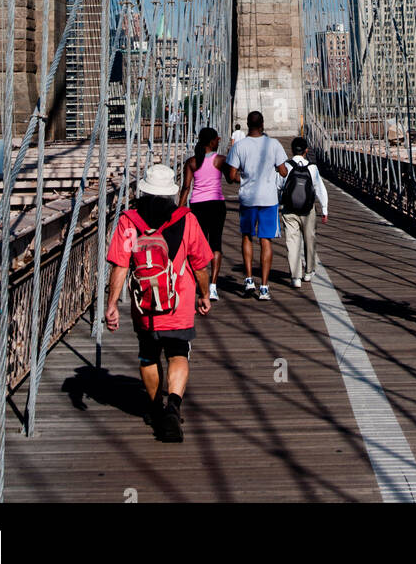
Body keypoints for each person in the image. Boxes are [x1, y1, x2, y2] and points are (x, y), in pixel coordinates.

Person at [105, 163, 212, 442]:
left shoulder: (130, 220)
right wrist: (204, 294)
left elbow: (119, 266)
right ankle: (173, 407)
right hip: (178, 301)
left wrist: (112, 304)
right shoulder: (186, 219)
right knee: (178, 352)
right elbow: (200, 265)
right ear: (171, 193)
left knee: (148, 355)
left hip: (145, 304)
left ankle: (154, 410)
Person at [224, 109, 288, 301]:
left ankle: (249, 279)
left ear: (247, 125)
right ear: (263, 125)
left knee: (247, 237)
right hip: (269, 199)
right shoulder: (274, 144)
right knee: (265, 240)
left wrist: (242, 178)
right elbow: (284, 172)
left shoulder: (239, 146)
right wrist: (275, 169)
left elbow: (230, 175)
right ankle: (265, 287)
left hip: (248, 198)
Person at [179, 127, 226, 302]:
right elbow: (230, 178)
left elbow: (186, 188)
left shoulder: (191, 162)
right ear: (212, 141)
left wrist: (179, 210)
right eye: (217, 139)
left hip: (197, 206)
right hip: (216, 205)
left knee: (198, 246)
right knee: (216, 244)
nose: (219, 141)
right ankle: (212, 286)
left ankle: (198, 283)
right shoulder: (220, 160)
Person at [277, 137, 328, 288]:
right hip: (308, 209)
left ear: (292, 150)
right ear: (306, 150)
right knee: (310, 239)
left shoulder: (286, 165)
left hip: (289, 209)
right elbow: (319, 188)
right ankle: (308, 272)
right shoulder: (312, 168)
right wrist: (324, 209)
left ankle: (295, 277)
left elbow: (278, 186)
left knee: (292, 243)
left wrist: (278, 203)